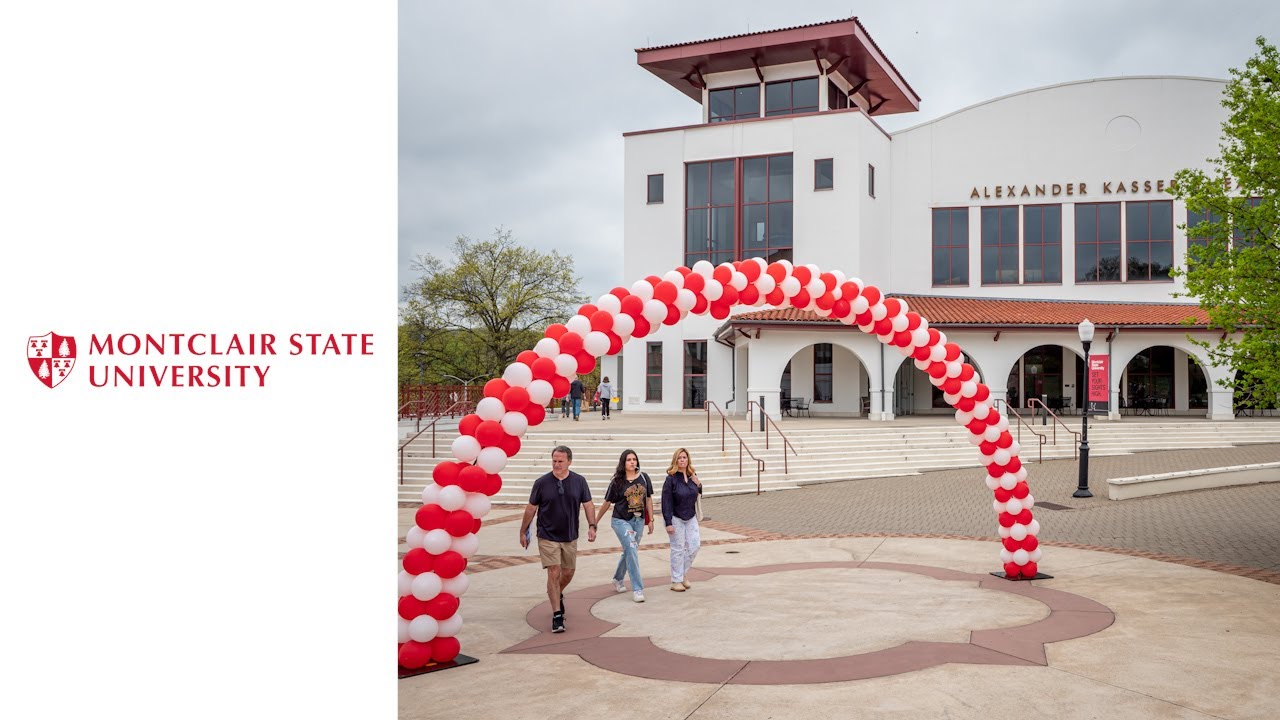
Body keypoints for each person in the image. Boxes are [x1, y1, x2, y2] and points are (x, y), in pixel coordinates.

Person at [519, 445, 597, 633]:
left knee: (568, 572)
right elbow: (531, 508)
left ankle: (556, 592)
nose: (556, 464)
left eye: (560, 461)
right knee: (554, 571)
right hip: (547, 535)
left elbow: (588, 504)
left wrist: (592, 525)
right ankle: (557, 615)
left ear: (569, 461)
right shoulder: (541, 483)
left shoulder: (579, 481)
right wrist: (523, 531)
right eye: (554, 461)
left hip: (569, 535)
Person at [594, 449, 653, 602]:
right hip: (620, 520)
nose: (632, 462)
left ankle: (618, 578)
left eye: (634, 459)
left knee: (630, 550)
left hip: (638, 521)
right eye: (629, 460)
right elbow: (607, 502)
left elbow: (648, 499)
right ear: (623, 463)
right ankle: (638, 589)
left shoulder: (644, 478)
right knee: (631, 548)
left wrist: (651, 520)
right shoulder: (617, 481)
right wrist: (595, 522)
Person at [661, 447, 702, 592]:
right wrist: (668, 522)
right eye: (679, 458)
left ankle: (681, 573)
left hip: (690, 516)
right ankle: (676, 581)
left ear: (688, 459)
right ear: (675, 460)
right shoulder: (670, 479)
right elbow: (666, 501)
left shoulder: (692, 476)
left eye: (684, 457)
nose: (682, 460)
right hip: (675, 517)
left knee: (694, 545)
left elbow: (697, 494)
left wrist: (699, 484)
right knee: (677, 549)